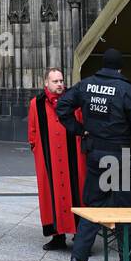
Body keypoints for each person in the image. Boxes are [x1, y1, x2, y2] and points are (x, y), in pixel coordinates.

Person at [56, 46, 131, 261]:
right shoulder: (126, 89)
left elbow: (62, 106)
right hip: (119, 157)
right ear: (120, 67)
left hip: (95, 155)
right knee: (125, 212)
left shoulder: (86, 84)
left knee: (93, 206)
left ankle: (78, 258)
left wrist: (79, 130)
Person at [27, 66, 86, 251]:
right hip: (47, 156)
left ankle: (80, 237)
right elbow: (32, 130)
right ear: (46, 83)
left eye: (61, 81)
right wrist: (36, 148)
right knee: (50, 196)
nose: (60, 84)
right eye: (55, 81)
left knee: (77, 192)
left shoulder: (74, 101)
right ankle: (57, 237)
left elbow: (82, 122)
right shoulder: (36, 104)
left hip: (73, 157)